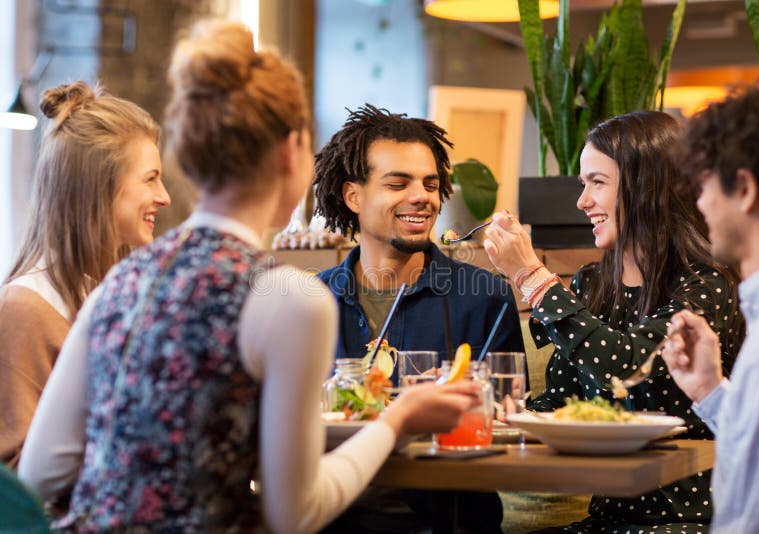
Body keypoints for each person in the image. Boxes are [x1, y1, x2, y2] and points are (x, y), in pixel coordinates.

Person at [17, 21, 478, 533]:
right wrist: (398, 420)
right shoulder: (289, 297)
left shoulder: (119, 283)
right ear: (292, 153)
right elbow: (295, 514)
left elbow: (38, 476)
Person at [483, 110, 744, 532]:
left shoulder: (706, 283)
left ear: (647, 189)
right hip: (610, 518)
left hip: (690, 521)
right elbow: (565, 403)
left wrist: (531, 276)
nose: (582, 202)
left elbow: (629, 364)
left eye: (597, 183)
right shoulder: (592, 284)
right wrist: (495, 412)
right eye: (583, 183)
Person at [313, 106, 524, 532]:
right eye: (398, 183)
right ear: (353, 196)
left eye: (430, 184)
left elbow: (512, 419)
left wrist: (487, 407)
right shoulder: (310, 302)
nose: (422, 197)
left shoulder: (486, 297)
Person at [0, 81, 171, 468]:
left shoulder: (109, 294)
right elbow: (17, 479)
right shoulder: (25, 309)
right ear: (100, 187)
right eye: (150, 178)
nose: (164, 196)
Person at [660, 80, 759, 533]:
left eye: (703, 185)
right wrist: (711, 391)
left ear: (743, 188)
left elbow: (750, 523)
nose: (698, 203)